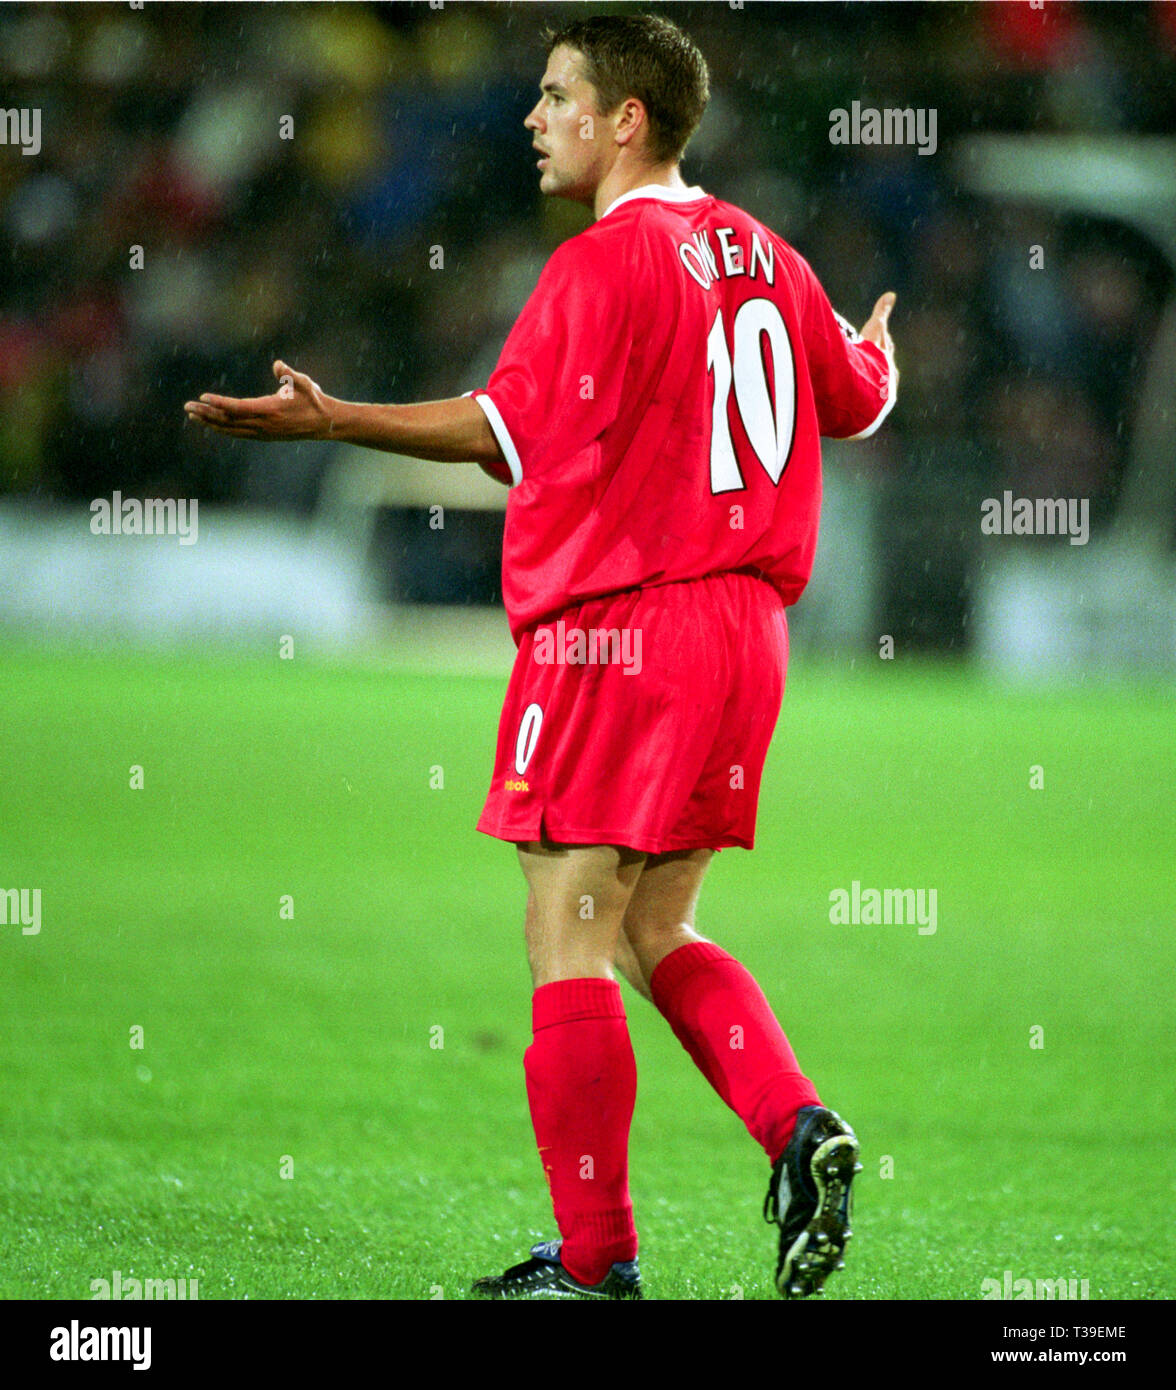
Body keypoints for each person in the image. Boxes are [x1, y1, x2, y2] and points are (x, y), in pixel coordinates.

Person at [185, 12, 897, 1301]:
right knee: (653, 923)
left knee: (564, 931)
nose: (533, 116)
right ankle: (798, 1129)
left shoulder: (601, 265)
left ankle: (594, 1264)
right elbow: (856, 393)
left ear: (626, 120)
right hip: (750, 634)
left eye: (558, 94)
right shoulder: (770, 256)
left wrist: (329, 417)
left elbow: (498, 433)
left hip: (626, 628)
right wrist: (884, 350)